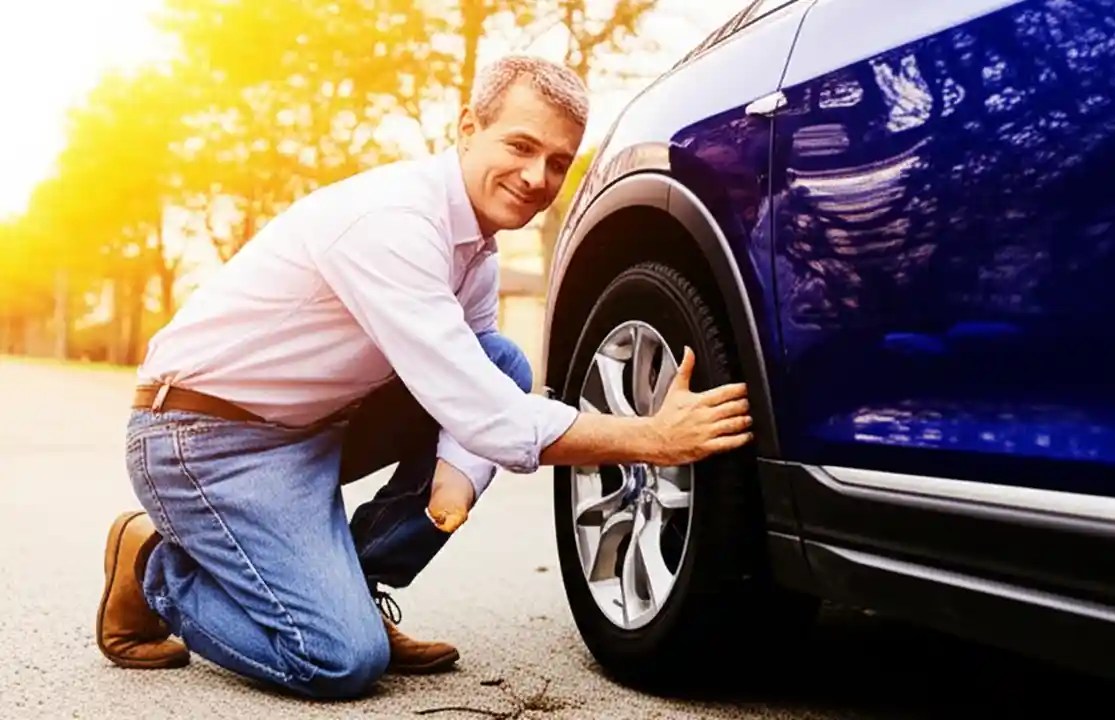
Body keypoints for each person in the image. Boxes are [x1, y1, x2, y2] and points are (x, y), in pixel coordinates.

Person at [95, 55, 753, 699]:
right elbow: (489, 417)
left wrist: (458, 475)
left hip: (309, 430)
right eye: (521, 145)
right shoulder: (395, 224)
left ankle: (356, 587)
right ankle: (154, 563)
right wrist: (653, 439)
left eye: (558, 161)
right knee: (339, 661)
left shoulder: (476, 250)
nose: (536, 177)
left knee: (502, 359)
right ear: (467, 128)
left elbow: (481, 388)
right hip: (201, 438)